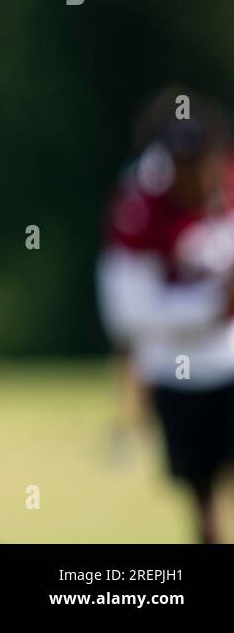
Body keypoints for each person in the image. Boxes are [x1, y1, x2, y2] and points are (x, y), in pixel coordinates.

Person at [97, 89, 234, 543]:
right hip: (182, 372)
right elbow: (128, 314)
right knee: (201, 494)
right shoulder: (141, 209)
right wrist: (210, 309)